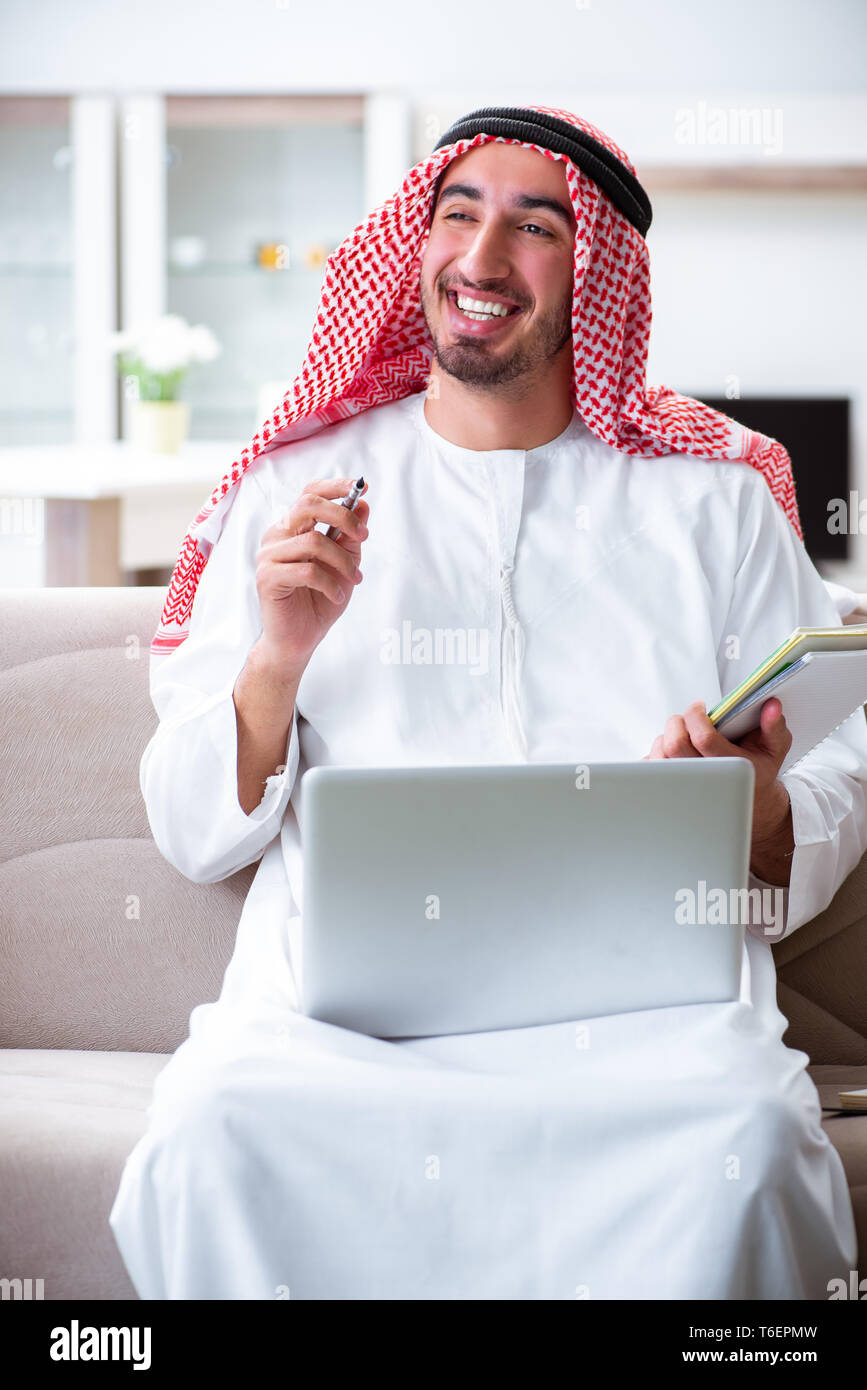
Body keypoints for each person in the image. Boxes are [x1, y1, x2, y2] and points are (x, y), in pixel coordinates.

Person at [109, 105, 867, 1300]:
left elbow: (837, 757)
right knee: (207, 1133)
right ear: (414, 244)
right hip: (334, 1034)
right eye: (457, 214)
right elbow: (189, 828)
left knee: (753, 1149)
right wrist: (276, 661)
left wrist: (759, 809)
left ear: (598, 269)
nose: (480, 257)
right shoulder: (297, 489)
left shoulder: (716, 502)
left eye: (534, 226)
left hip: (650, 1037)